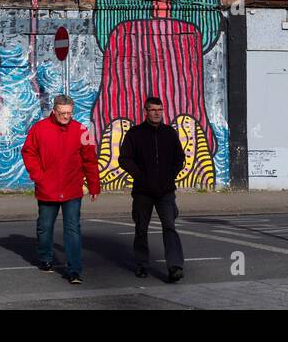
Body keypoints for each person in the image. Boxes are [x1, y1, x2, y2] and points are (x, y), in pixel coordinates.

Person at [21, 94, 100, 284]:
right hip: (47, 189)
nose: (66, 117)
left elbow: (89, 159)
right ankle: (45, 258)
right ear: (54, 111)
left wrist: (94, 184)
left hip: (72, 189)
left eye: (69, 113)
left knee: (72, 229)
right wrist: (39, 177)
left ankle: (74, 269)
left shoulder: (81, 130)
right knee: (45, 227)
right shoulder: (39, 129)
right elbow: (28, 152)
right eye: (63, 113)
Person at [118, 96, 186, 282]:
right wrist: (140, 175)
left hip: (166, 191)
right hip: (142, 192)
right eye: (153, 110)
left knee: (170, 227)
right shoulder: (135, 133)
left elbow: (179, 158)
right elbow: (124, 159)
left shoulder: (169, 133)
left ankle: (175, 267)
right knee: (141, 229)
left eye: (160, 110)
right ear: (145, 111)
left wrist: (171, 174)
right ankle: (141, 265)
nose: (157, 113)